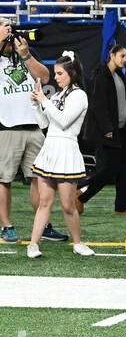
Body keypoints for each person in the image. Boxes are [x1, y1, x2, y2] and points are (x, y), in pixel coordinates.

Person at [0, 18, 66, 245]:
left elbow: (45, 77)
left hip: (34, 124)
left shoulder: (24, 52)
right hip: (6, 126)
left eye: (11, 25)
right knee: (4, 179)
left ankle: (44, 225)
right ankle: (6, 226)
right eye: (4, 25)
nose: (10, 28)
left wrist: (26, 55)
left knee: (39, 178)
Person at [26, 53, 94, 258]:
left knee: (68, 205)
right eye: (56, 73)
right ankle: (33, 244)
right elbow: (44, 124)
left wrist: (44, 101)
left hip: (66, 151)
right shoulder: (56, 96)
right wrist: (35, 104)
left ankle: (78, 243)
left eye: (60, 73)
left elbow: (64, 121)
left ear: (71, 73)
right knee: (44, 202)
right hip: (50, 150)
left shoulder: (79, 95)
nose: (56, 77)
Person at [77, 43, 126, 217]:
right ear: (111, 55)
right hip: (108, 131)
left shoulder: (119, 74)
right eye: (122, 56)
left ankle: (123, 205)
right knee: (109, 170)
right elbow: (98, 105)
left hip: (121, 131)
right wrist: (106, 128)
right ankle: (81, 194)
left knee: (123, 169)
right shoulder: (101, 75)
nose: (125, 59)